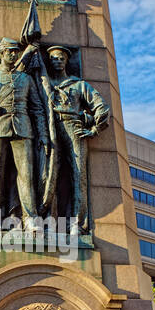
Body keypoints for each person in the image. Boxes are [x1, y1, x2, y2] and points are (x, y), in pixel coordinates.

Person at [0, 38, 50, 224]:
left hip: (24, 128)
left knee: (26, 175)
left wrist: (43, 134)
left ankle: (30, 218)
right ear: (1, 53)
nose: (14, 55)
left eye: (16, 52)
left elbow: (37, 109)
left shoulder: (26, 79)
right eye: (10, 51)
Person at [43, 45, 109, 234]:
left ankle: (77, 224)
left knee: (78, 176)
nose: (57, 61)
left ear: (66, 62)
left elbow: (101, 107)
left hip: (74, 129)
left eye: (61, 58)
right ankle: (48, 220)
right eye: (54, 58)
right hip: (50, 129)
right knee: (49, 175)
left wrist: (94, 128)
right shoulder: (44, 83)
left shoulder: (78, 85)